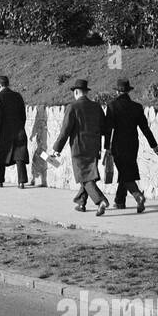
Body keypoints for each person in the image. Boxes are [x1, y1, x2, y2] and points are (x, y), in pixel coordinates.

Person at [50, 78, 108, 215]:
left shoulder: (73, 107)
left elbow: (65, 130)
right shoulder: (96, 106)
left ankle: (101, 201)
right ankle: (81, 202)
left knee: (85, 177)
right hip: (94, 147)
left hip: (79, 148)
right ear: (86, 92)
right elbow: (104, 128)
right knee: (87, 175)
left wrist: (56, 149)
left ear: (76, 92)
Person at [103, 78, 158, 212]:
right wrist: (154, 146)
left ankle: (138, 196)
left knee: (124, 173)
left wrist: (106, 147)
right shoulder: (137, 107)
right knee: (126, 171)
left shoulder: (112, 106)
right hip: (133, 145)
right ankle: (119, 201)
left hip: (118, 145)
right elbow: (145, 128)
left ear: (117, 91)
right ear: (128, 91)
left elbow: (108, 130)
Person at [0, 74, 29, 188]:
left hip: (4, 133)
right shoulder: (18, 96)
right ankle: (21, 182)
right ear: (8, 84)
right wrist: (21, 127)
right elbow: (23, 115)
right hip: (19, 131)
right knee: (19, 157)